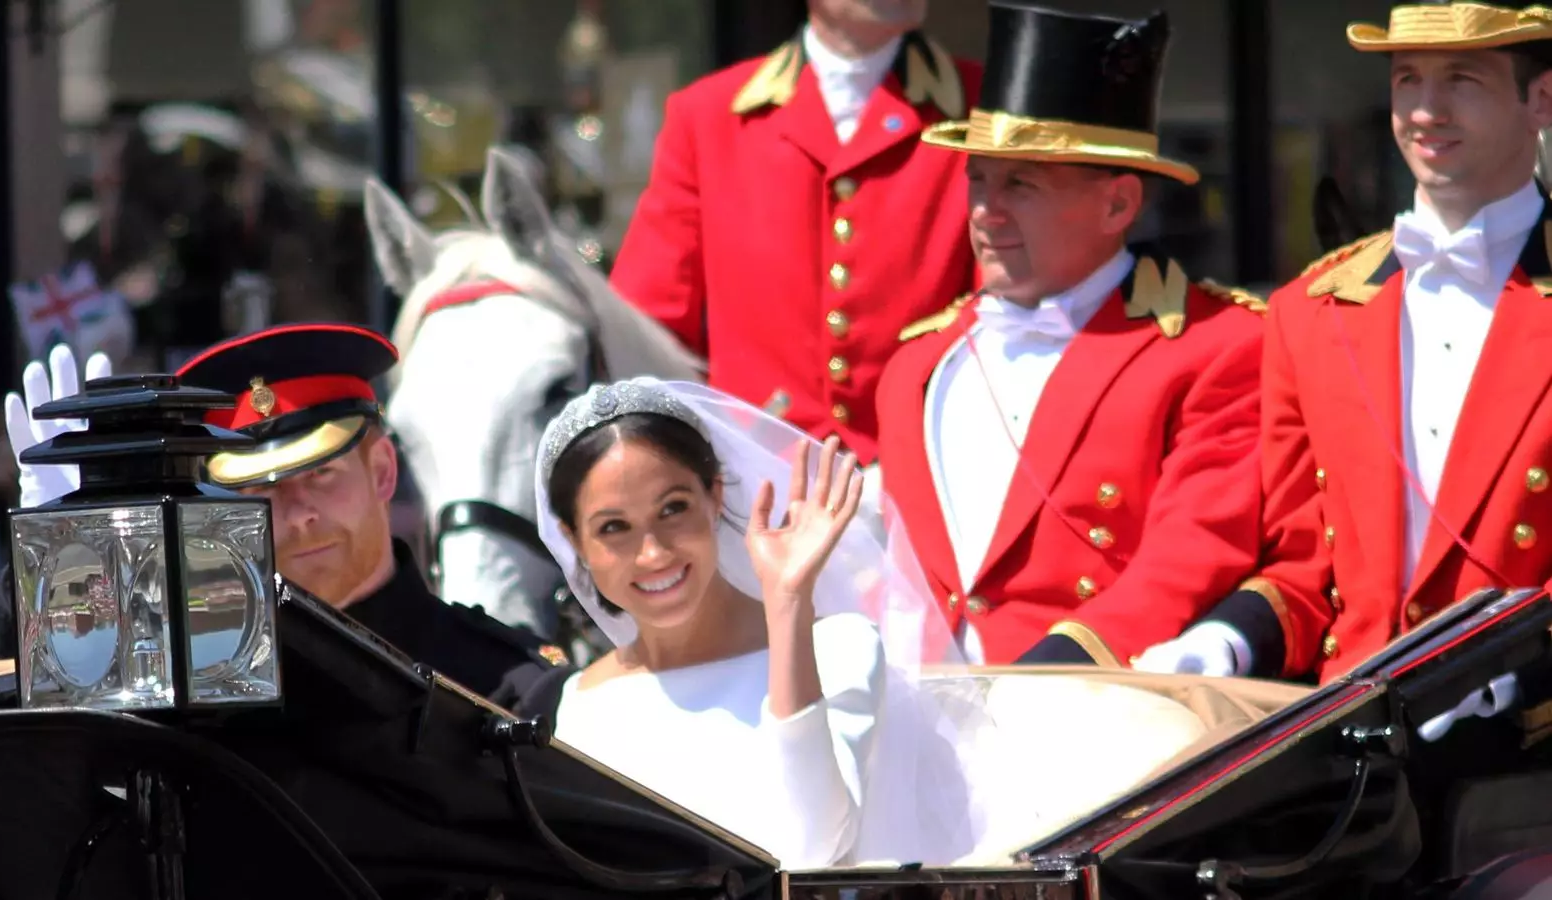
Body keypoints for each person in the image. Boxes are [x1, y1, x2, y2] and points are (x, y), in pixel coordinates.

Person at [1136, 2, 1552, 686]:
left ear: (1540, 99)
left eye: (1462, 80)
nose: (1426, 110)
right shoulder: (1311, 311)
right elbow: (1304, 566)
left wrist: (1512, 671)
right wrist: (1226, 639)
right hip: (1358, 740)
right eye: (1408, 79)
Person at [873, 3, 1268, 668]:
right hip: (924, 725)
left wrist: (1058, 668)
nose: (985, 213)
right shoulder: (915, 365)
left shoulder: (1213, 347)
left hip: (1102, 712)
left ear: (1117, 204)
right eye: (978, 181)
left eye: (1020, 184)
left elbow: (1192, 555)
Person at [0, 327, 567, 711]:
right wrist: (63, 564)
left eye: (322, 476)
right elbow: (2, 744)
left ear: (383, 472)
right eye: (261, 486)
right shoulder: (178, 678)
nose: (298, 515)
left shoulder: (502, 680)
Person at [525, 378, 984, 868]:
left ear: (715, 496)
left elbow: (813, 846)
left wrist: (788, 604)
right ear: (574, 541)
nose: (653, 552)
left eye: (673, 508)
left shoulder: (836, 647)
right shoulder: (577, 707)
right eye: (613, 527)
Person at [610, 0, 983, 463]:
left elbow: (1008, 323)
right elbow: (644, 332)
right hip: (756, 489)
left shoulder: (985, 110)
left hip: (928, 479)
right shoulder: (707, 117)